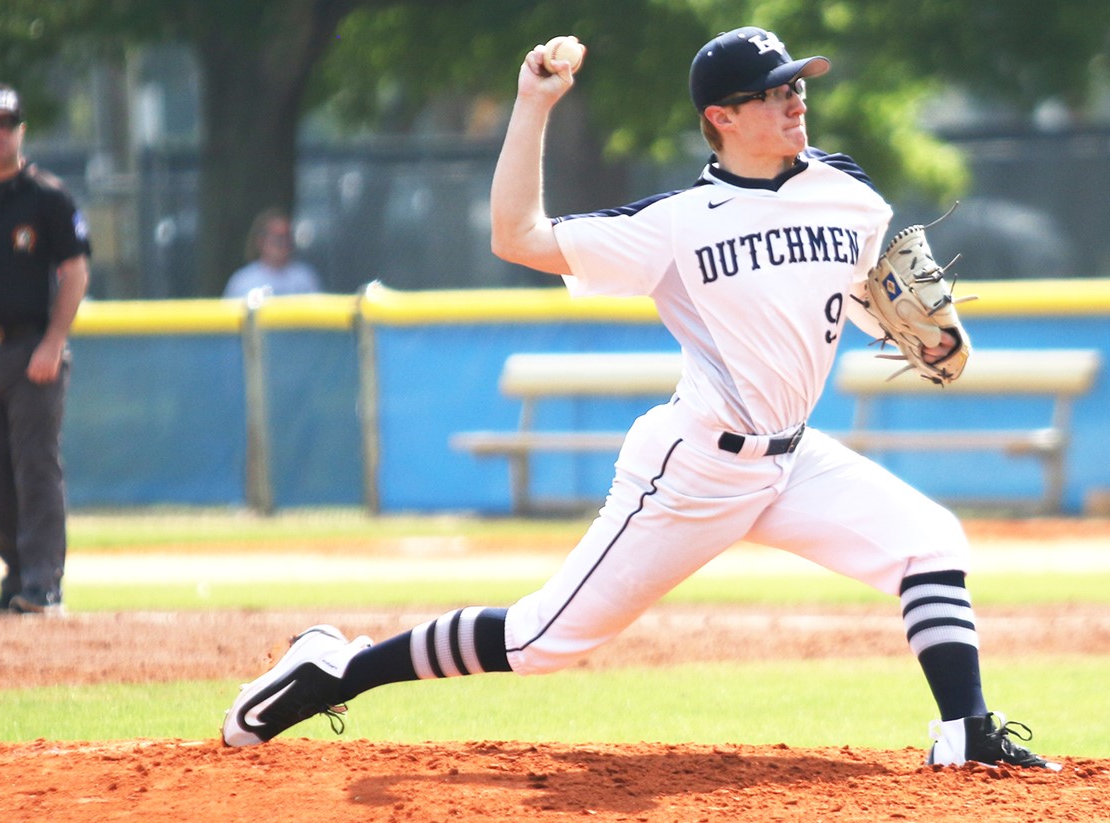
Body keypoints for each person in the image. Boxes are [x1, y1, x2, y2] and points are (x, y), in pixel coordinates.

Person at [222, 27, 1059, 771]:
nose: (794, 101)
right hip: (694, 466)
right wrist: (531, 104)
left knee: (928, 539)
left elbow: (870, 292)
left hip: (793, 457)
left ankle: (966, 731)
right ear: (720, 118)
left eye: (797, 85)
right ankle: (339, 665)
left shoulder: (851, 195)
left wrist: (934, 336)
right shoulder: (672, 223)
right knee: (540, 639)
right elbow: (516, 237)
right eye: (772, 93)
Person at [0, 83, 91, 617]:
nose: (0, 135)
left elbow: (74, 271)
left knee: (35, 466)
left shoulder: (47, 196)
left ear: (20, 131)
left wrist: (53, 342)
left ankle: (44, 583)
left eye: (9, 125)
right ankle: (16, 575)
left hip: (30, 350)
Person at [221, 208, 322, 298]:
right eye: (277, 238)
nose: (283, 243)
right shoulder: (242, 281)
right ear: (261, 240)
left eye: (286, 237)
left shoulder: (305, 278)